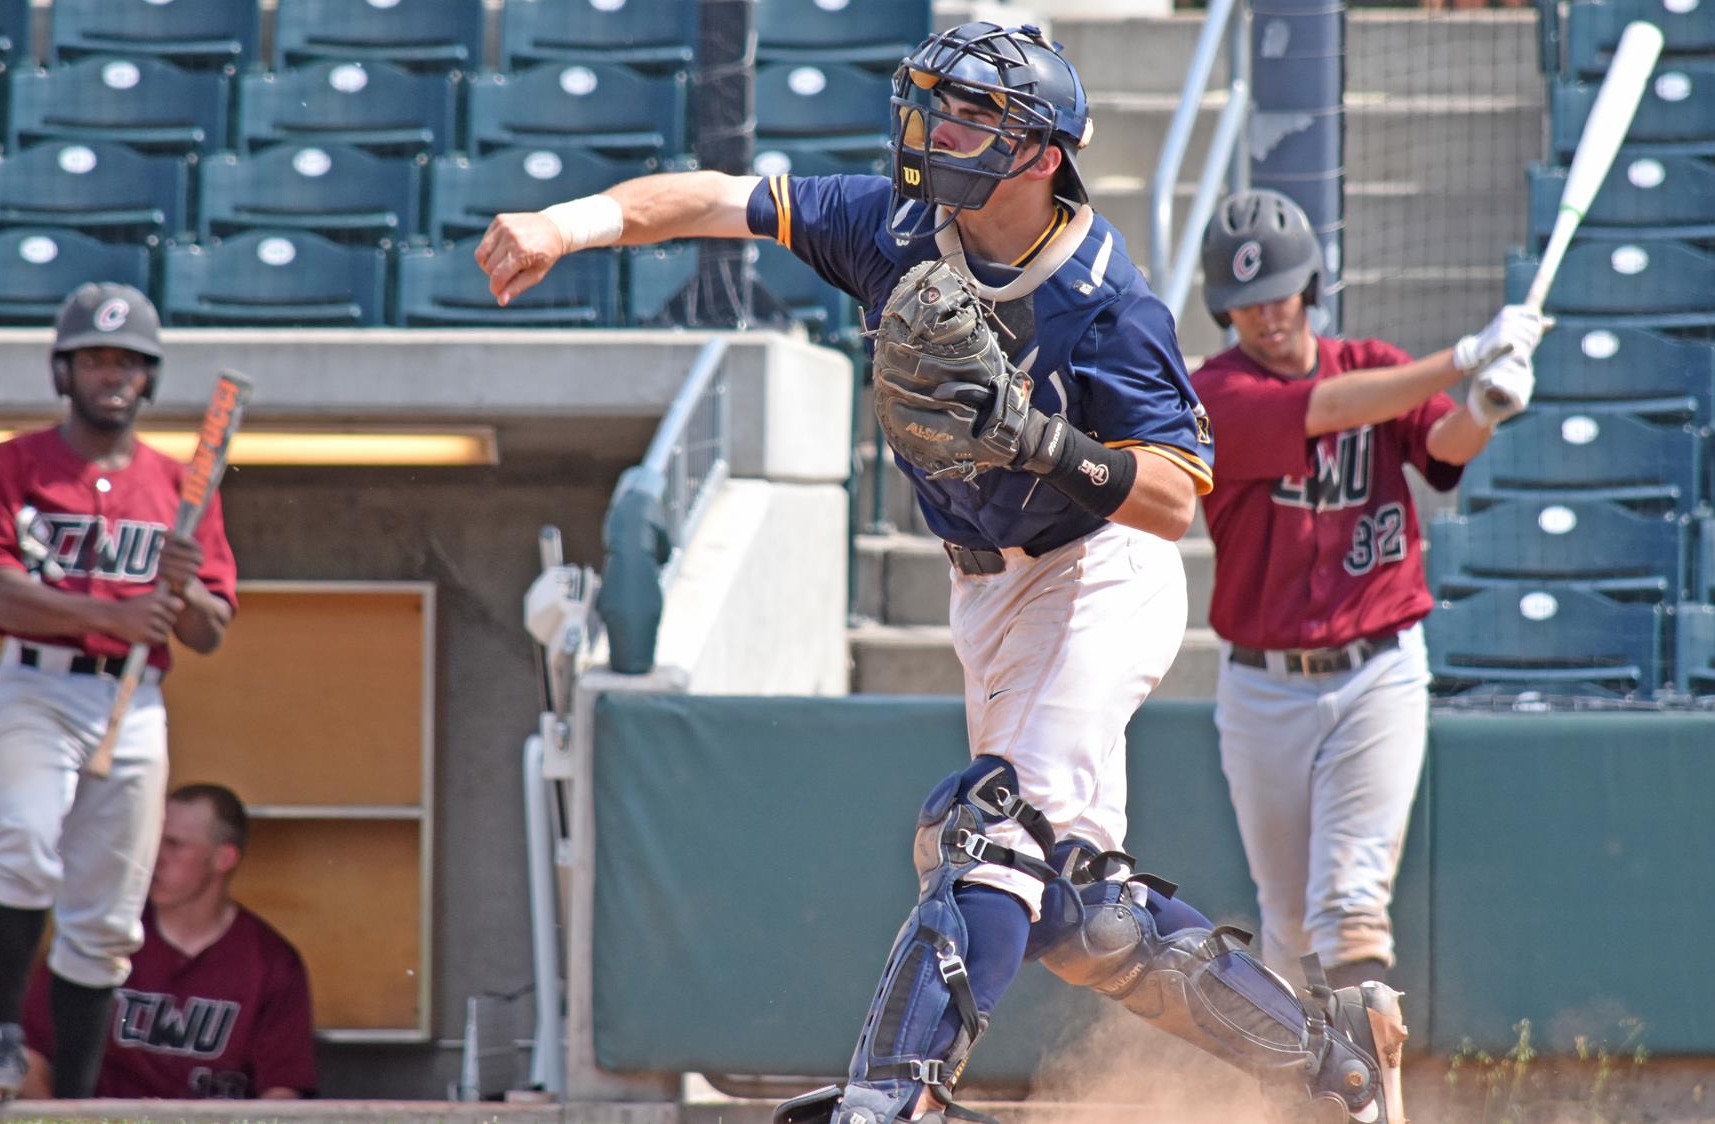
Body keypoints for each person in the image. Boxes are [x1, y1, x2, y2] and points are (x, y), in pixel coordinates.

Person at [474, 23, 1541, 1123]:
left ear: (1037, 155)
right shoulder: (893, 222)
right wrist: (568, 223)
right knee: (1075, 909)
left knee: (989, 831)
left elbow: (1177, 496)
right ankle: (1328, 1071)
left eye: (973, 114)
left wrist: (1040, 440)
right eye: (938, 104)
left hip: (1098, 570)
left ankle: (891, 1096)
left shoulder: (1104, 299)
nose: (937, 128)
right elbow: (721, 198)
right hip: (984, 588)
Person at [1191, 189, 1541, 995]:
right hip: (1260, 685)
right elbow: (1323, 410)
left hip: (1377, 671)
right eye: (1246, 304)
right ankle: (1301, 1100)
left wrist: (1485, 404)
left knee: (1348, 911)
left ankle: (1371, 1104)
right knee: (1287, 931)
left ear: (1309, 286)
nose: (1267, 316)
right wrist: (1462, 359)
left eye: (1279, 293)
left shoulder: (1378, 365)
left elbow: (1444, 444)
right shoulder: (1212, 393)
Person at [0, 283, 238, 1101]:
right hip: (37, 685)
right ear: (63, 372)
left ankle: (82, 1104)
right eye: (94, 358)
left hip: (134, 703)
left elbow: (208, 631)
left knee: (106, 920)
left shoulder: (176, 487)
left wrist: (185, 589)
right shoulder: (8, 466)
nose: (112, 374)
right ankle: (2, 1033)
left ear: (149, 379)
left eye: (128, 361)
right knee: (23, 840)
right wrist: (112, 612)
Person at [19, 783, 316, 1099]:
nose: (154, 857)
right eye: (152, 841)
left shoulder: (270, 962)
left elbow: (283, 1094)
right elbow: (28, 1056)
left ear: (224, 858)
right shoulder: (101, 935)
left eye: (174, 845)